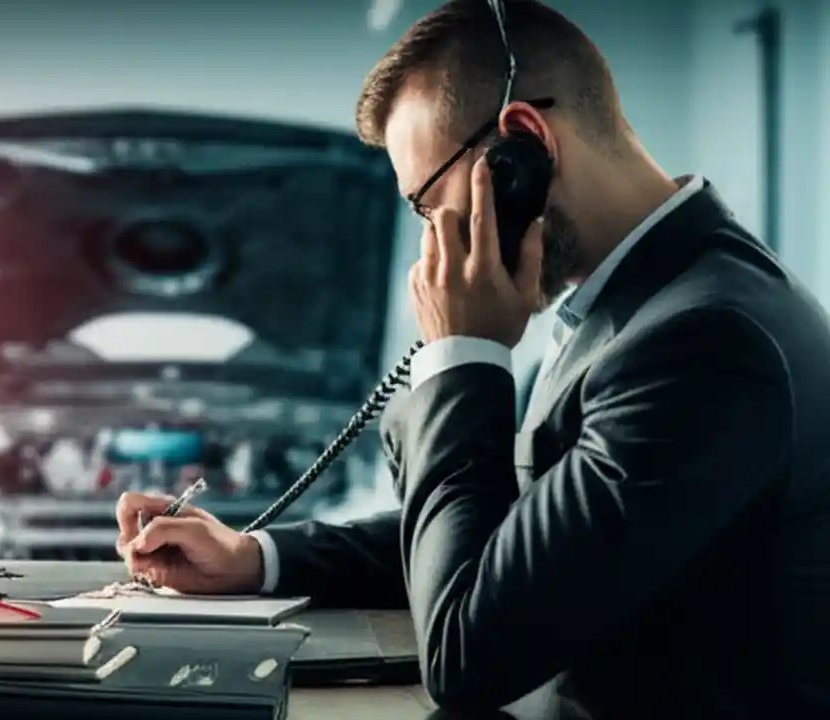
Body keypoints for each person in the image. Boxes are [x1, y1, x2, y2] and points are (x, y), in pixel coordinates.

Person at [113, 0, 830, 717]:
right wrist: (257, 559)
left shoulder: (703, 345)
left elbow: (467, 656)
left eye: (427, 203)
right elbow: (521, 532)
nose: (431, 240)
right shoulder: (650, 303)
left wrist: (463, 355)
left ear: (522, 151)